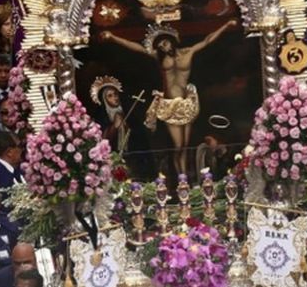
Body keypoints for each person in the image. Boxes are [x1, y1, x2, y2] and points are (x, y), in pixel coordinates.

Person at [100, 19, 239, 175]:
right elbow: (137, 47)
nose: (162, 47)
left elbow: (207, 40)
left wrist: (225, 26)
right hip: (170, 105)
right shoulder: (159, 58)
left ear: (172, 41)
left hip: (186, 103)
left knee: (185, 145)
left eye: (164, 43)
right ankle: (180, 178)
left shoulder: (188, 52)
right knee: (178, 145)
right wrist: (113, 37)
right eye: (159, 45)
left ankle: (184, 178)